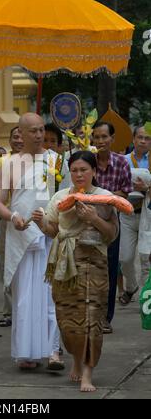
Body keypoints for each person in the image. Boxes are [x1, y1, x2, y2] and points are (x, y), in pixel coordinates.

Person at [33, 151, 119, 392]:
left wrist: (94, 218)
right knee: (67, 318)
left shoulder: (104, 197)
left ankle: (87, 373)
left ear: (94, 171)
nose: (79, 174)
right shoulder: (61, 196)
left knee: (92, 318)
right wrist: (41, 222)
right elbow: (52, 230)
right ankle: (76, 360)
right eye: (75, 170)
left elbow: (112, 235)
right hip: (65, 263)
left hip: (94, 263)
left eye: (84, 170)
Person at [0, 113, 62, 370]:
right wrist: (13, 217)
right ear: (20, 133)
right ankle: (27, 353)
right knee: (24, 297)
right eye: (32, 130)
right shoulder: (8, 164)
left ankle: (54, 351)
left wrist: (52, 221)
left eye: (41, 130)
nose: (38, 135)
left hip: (49, 234)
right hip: (20, 234)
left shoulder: (56, 161)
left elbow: (66, 197)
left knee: (51, 295)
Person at [92, 121, 132, 334]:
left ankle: (106, 318)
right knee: (89, 268)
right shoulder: (88, 160)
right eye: (96, 137)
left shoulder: (122, 163)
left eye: (104, 137)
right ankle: (90, 315)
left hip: (111, 223)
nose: (100, 142)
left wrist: (105, 198)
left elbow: (126, 191)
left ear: (112, 138)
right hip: (87, 221)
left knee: (109, 268)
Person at [0, 126, 23, 327]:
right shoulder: (2, 162)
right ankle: (9, 311)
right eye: (15, 136)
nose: (19, 140)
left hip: (33, 220)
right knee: (7, 265)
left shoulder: (40, 162)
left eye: (21, 136)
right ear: (9, 141)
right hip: (7, 219)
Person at [119, 126, 151, 304]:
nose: (143, 141)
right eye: (140, 137)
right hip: (127, 213)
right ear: (133, 139)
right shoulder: (123, 161)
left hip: (148, 214)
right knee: (125, 257)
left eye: (147, 138)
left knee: (146, 258)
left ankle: (146, 300)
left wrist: (147, 189)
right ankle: (131, 287)